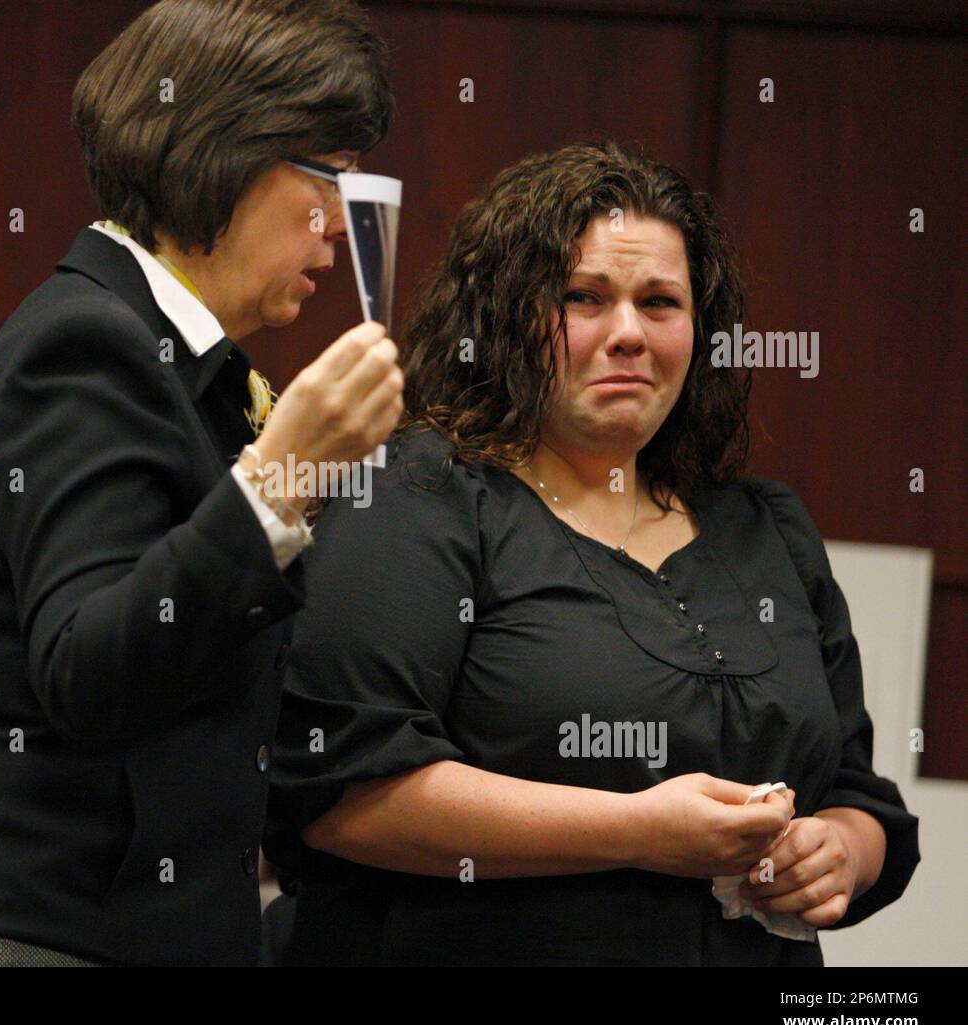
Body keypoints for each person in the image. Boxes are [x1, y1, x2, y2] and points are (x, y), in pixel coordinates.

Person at [0, 0, 401, 967]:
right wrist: (274, 484)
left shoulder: (199, 370)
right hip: (17, 936)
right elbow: (91, 671)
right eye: (328, 180)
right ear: (227, 151)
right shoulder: (87, 341)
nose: (342, 230)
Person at [261, 142, 920, 966]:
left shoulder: (766, 527)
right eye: (583, 298)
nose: (628, 335)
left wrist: (840, 854)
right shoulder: (419, 494)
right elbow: (335, 791)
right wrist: (639, 832)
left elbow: (858, 793)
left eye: (660, 303)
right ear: (503, 317)